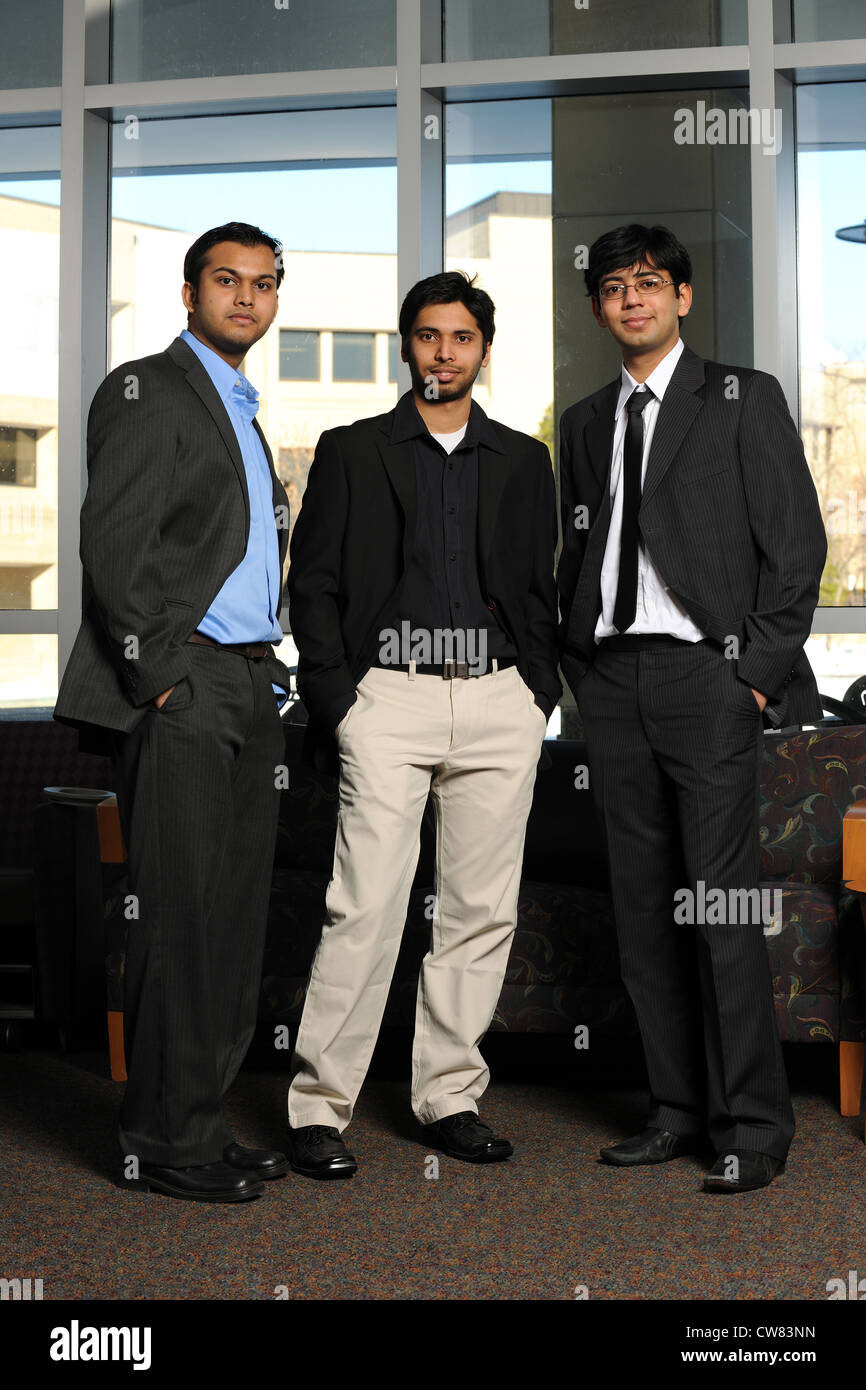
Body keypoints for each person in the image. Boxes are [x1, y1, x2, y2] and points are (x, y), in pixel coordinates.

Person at [557, 224, 826, 1194]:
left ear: (680, 297)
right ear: (596, 309)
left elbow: (794, 546)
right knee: (639, 909)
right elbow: (578, 551)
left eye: (647, 284)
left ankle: (751, 1124)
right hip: (613, 684)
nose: (629, 300)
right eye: (612, 288)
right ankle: (670, 1110)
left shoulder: (737, 397)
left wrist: (749, 673)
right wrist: (575, 663)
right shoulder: (585, 420)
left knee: (715, 907)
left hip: (705, 680)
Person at [285, 270, 560, 1178]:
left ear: (483, 349)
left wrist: (535, 688)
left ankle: (450, 1096)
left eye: (461, 338)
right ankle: (319, 1106)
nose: (444, 352)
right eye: (428, 336)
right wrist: (341, 701)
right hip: (387, 701)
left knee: (479, 914)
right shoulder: (354, 449)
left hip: (497, 699)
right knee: (363, 906)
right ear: (407, 346)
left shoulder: (523, 460)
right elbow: (313, 584)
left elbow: (536, 584)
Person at [55, 222, 294, 1202]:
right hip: (185, 686)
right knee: (176, 920)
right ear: (189, 293)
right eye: (227, 281)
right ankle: (158, 1136)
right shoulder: (147, 388)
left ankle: (196, 1117)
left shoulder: (236, 402)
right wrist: (160, 677)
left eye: (264, 284)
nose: (247, 298)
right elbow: (111, 546)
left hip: (246, 681)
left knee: (231, 926)